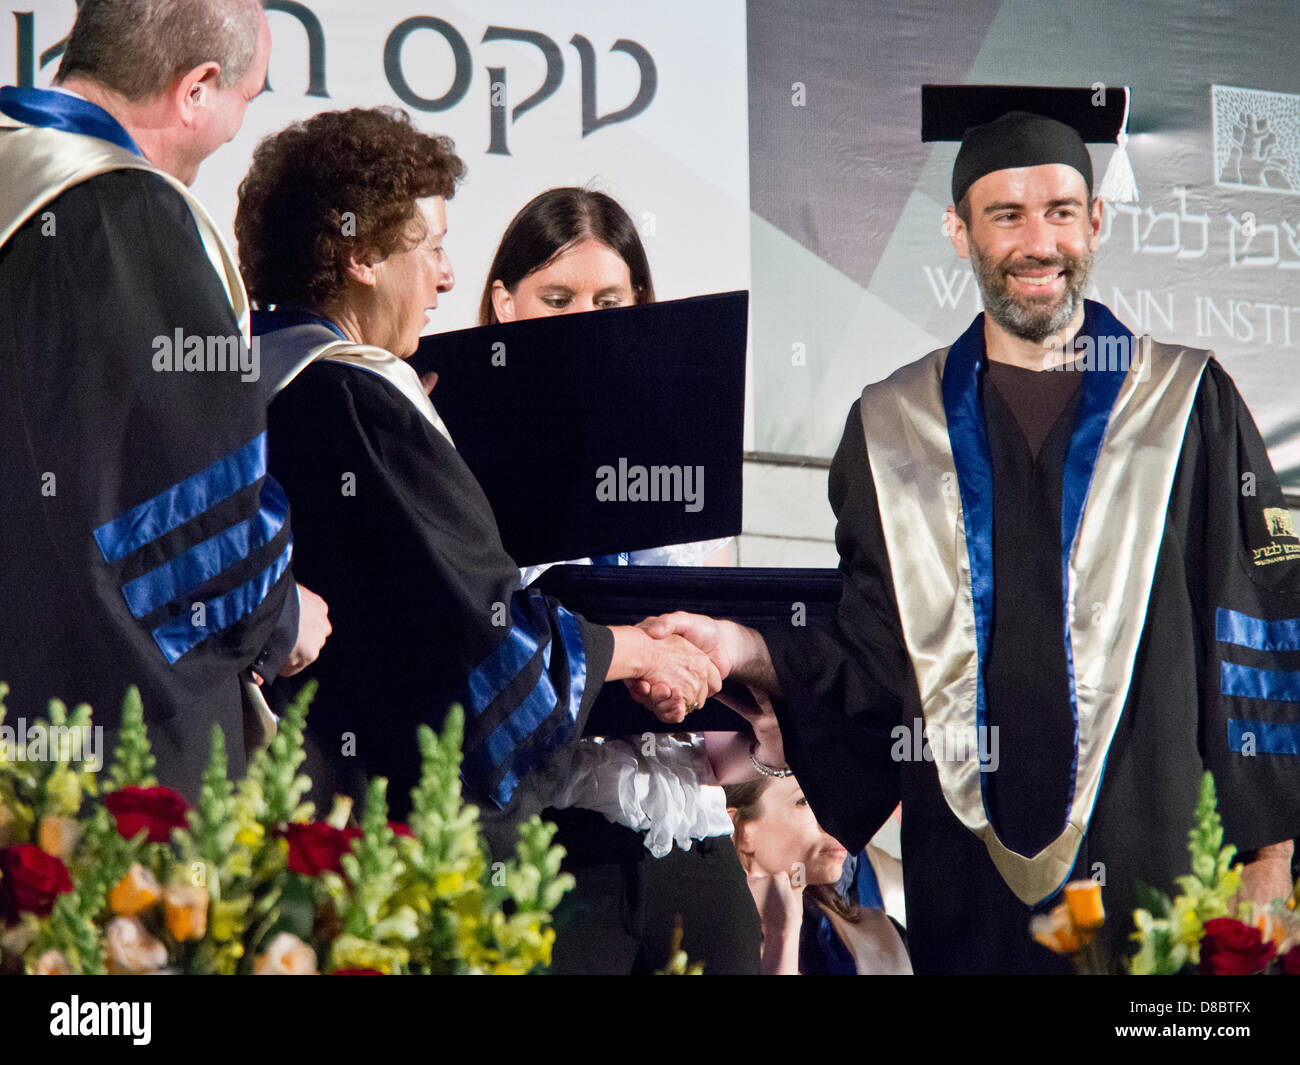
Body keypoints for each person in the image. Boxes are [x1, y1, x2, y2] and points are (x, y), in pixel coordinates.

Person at [637, 106, 1300, 974]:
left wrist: (1272, 851)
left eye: (1062, 211)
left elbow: (1254, 622)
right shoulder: (891, 429)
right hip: (970, 886)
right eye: (1007, 215)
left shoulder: (1186, 404)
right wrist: (751, 648)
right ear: (958, 231)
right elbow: (872, 657)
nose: (1040, 242)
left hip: (1159, 865)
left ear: (1095, 223)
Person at [235, 110, 718, 842]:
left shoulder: (255, 380)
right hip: (370, 823)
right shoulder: (359, 398)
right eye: (431, 244)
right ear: (362, 255)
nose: (447, 273)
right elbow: (484, 636)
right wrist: (639, 649)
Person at [0, 0, 329, 799]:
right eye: (245, 98)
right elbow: (189, 503)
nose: (233, 131)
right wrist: (281, 618)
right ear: (196, 89)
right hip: (105, 742)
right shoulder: (125, 216)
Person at [725, 773, 911, 975]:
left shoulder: (882, 937)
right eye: (805, 801)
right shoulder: (704, 942)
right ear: (738, 828)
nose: (837, 822)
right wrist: (782, 933)